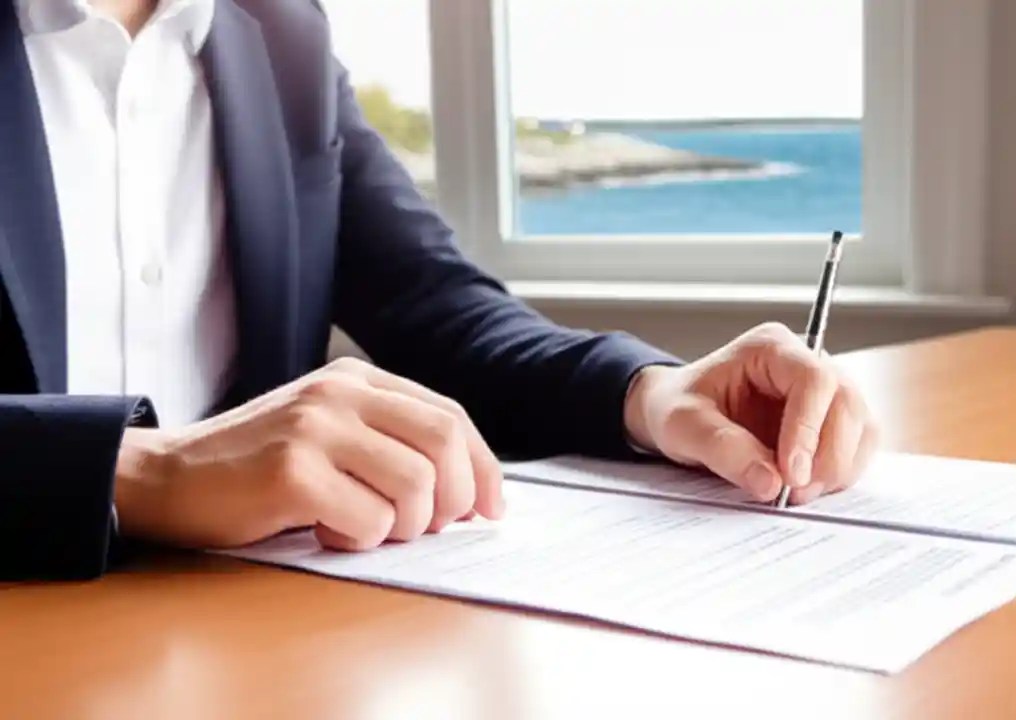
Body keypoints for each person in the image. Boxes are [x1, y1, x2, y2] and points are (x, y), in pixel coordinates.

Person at [0, 0, 878, 581]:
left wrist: (653, 394)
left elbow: (435, 304)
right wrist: (135, 470)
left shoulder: (279, 35)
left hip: (244, 635)